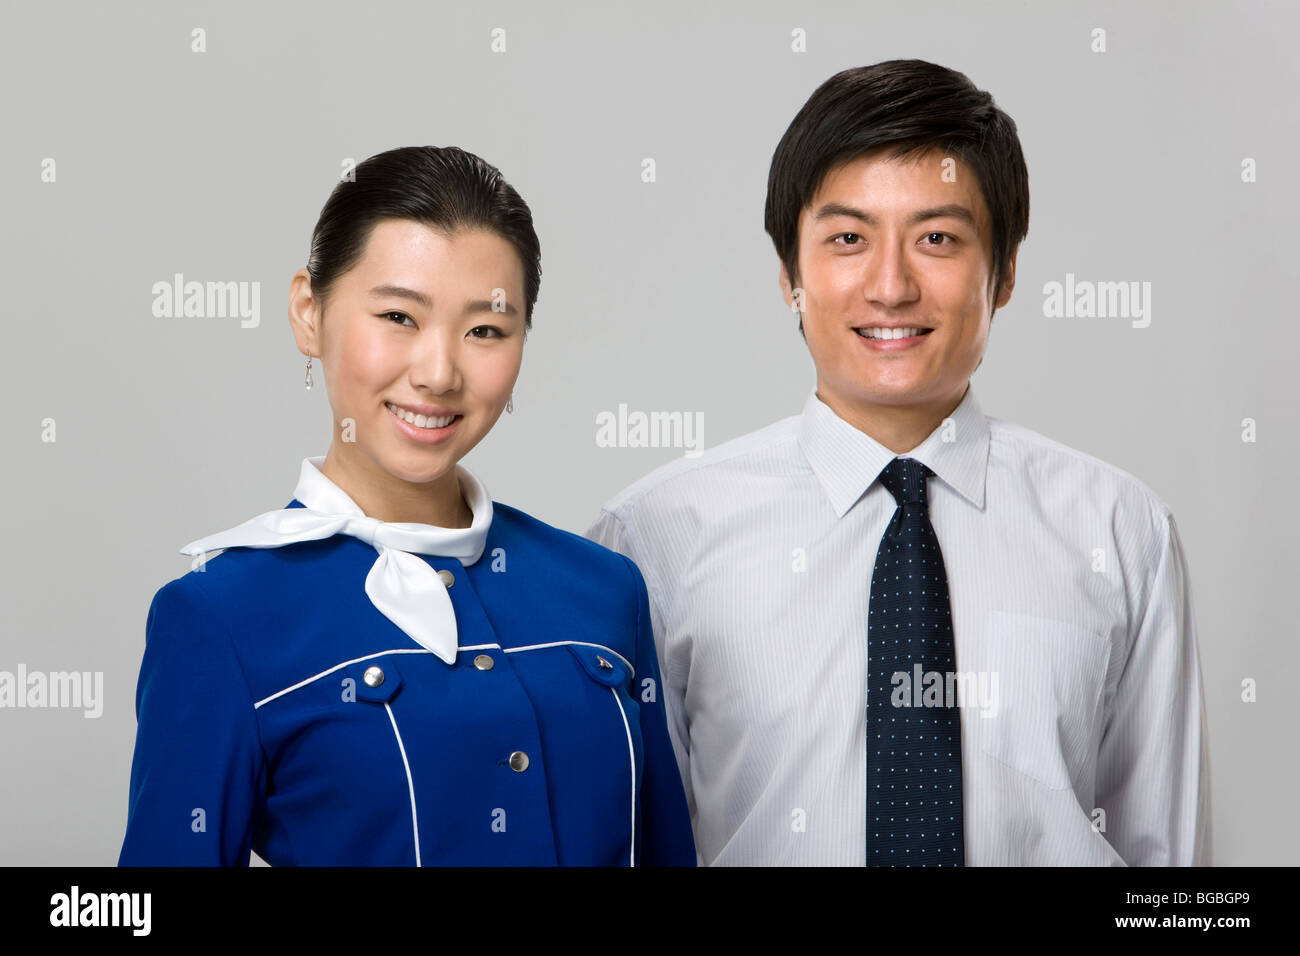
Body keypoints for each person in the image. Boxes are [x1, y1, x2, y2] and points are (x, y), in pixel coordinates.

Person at [586, 60, 1211, 866]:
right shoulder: (654, 537)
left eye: (938, 239)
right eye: (847, 239)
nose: (890, 285)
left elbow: (1171, 873)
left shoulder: (1122, 531)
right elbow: (627, 840)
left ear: (1006, 272)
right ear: (789, 276)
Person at [119, 145, 695, 866]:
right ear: (309, 311)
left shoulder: (603, 588)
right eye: (398, 316)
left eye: (486, 329)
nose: (438, 372)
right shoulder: (220, 618)